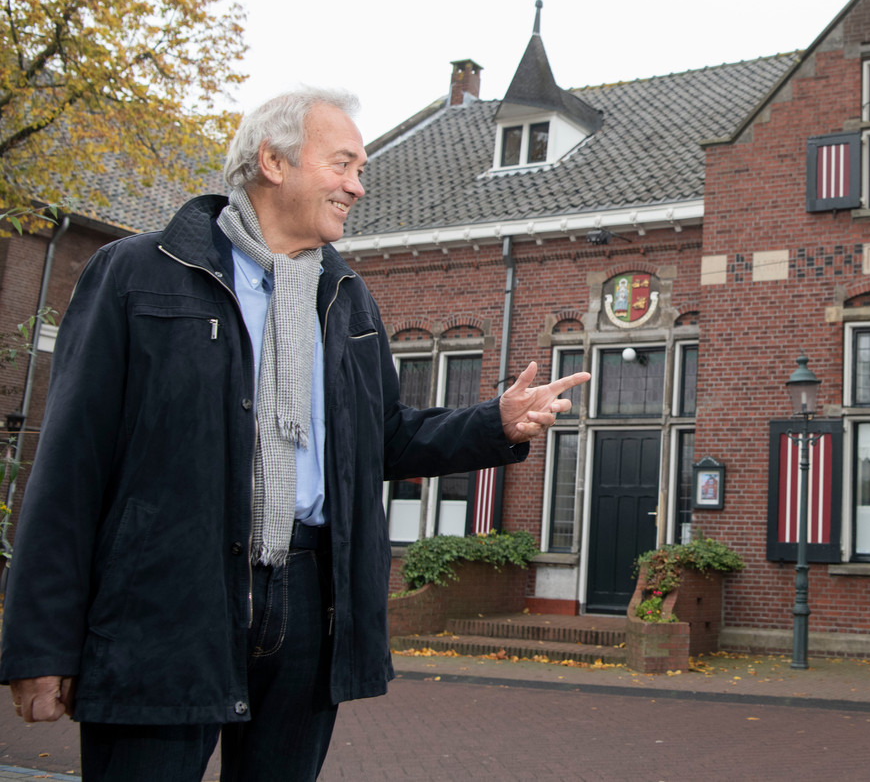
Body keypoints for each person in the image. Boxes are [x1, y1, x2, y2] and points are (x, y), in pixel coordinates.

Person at [0, 88, 589, 782]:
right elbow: (72, 463)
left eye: (360, 168)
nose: (357, 186)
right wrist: (40, 643)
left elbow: (380, 442)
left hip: (310, 597)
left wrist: (492, 422)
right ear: (273, 162)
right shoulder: (139, 275)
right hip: (166, 598)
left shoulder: (344, 298)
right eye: (342, 164)